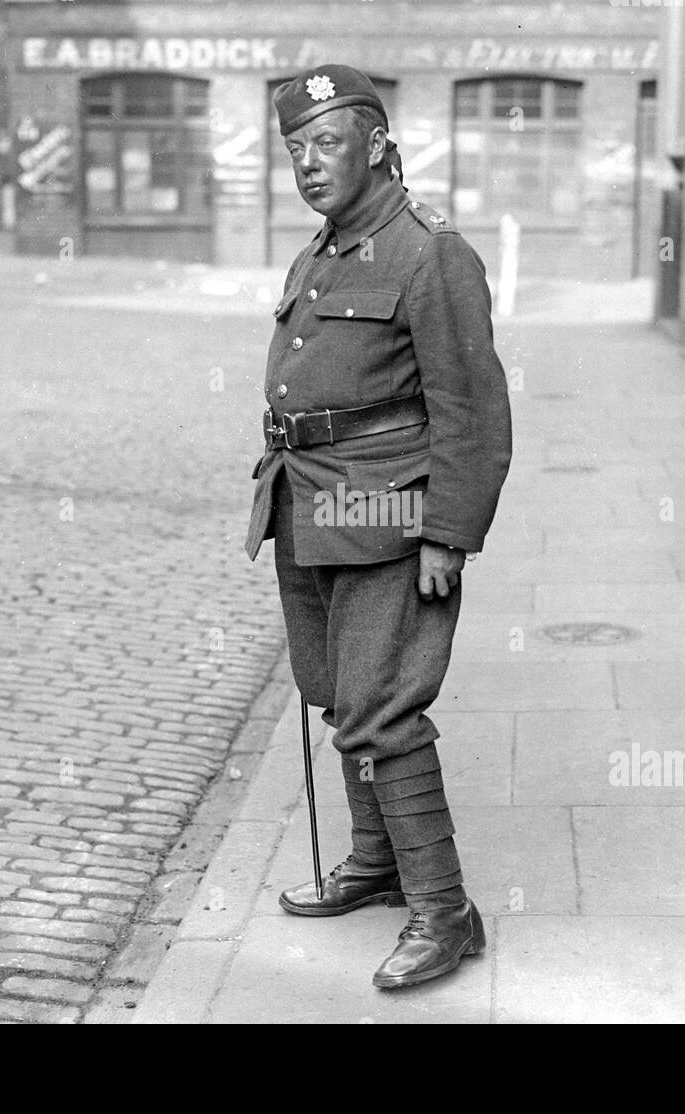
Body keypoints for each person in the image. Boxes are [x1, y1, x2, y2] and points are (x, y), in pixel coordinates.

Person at [244, 65, 513, 989]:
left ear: (377, 145)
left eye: (326, 144)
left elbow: (473, 408)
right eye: (295, 149)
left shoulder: (429, 252)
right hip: (309, 499)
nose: (309, 165)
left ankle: (446, 913)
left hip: (390, 513)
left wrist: (448, 533)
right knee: (335, 689)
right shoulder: (323, 249)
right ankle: (378, 862)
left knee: (383, 703)